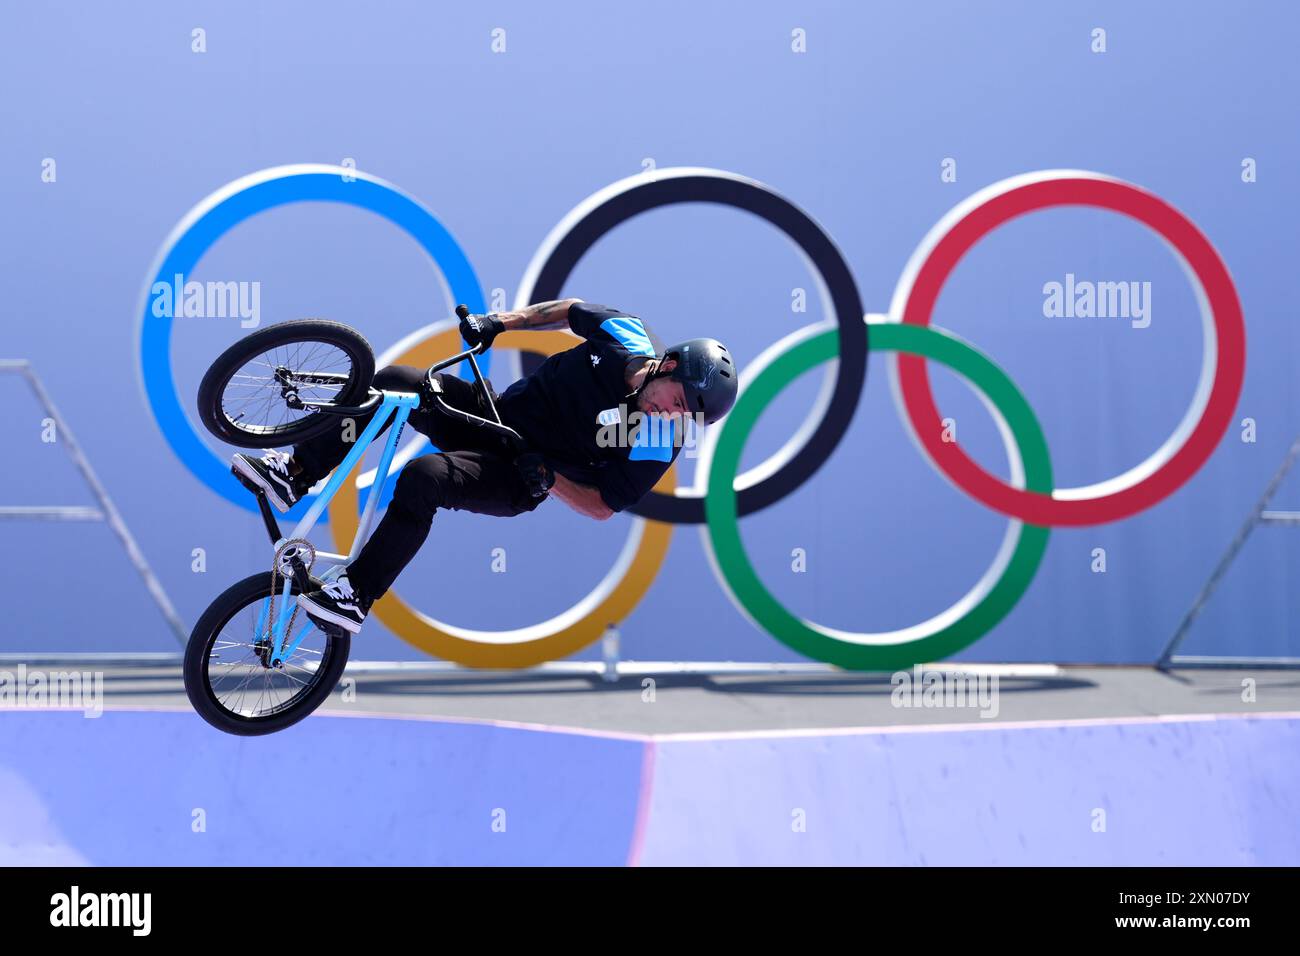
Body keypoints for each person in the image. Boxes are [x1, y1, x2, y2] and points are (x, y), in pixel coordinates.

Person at [229, 300, 738, 634]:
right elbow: (566, 311)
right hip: (492, 415)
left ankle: (355, 595)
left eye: (684, 415)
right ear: (667, 365)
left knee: (424, 478)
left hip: (519, 474)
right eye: (677, 401)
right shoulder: (625, 336)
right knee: (398, 380)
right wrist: (499, 323)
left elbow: (603, 505)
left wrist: (550, 477)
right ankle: (293, 473)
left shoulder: (656, 439)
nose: (673, 415)